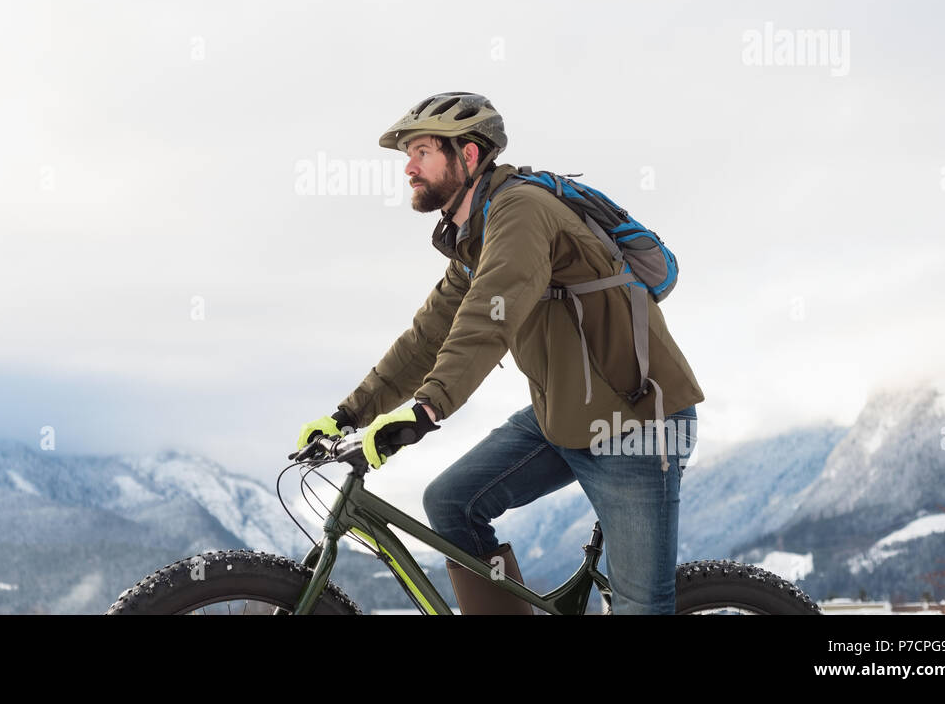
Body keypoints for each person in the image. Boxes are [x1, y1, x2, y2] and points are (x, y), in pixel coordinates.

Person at [295, 92, 704, 614]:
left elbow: (489, 315)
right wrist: (347, 414)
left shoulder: (522, 210)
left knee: (642, 608)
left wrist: (427, 408)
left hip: (637, 421)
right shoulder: (475, 237)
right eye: (406, 156)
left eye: (421, 152)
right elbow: (425, 339)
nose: (408, 168)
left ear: (468, 155)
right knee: (450, 504)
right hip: (564, 417)